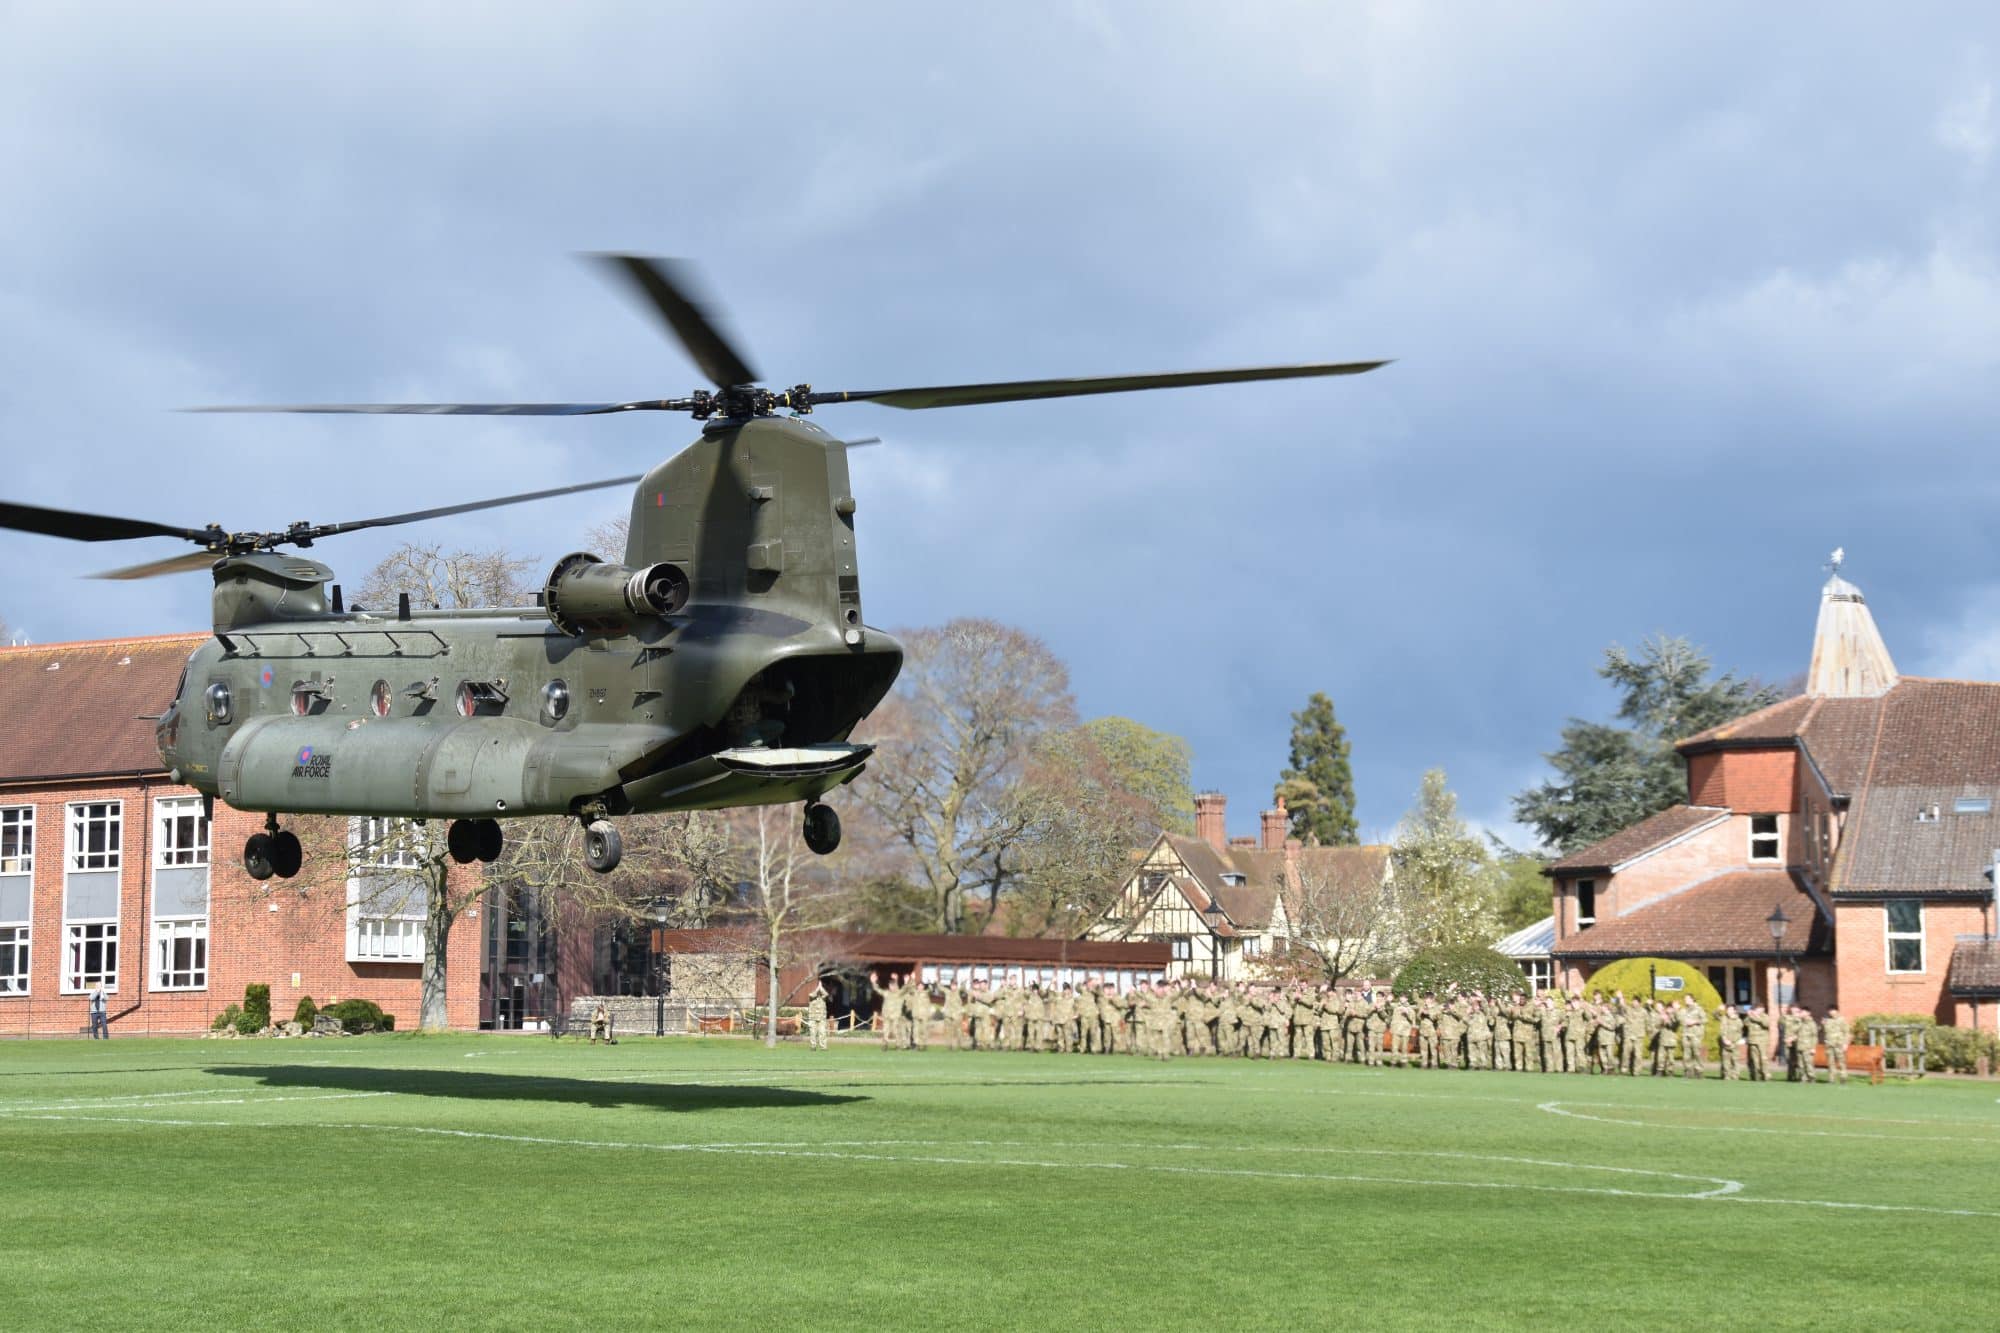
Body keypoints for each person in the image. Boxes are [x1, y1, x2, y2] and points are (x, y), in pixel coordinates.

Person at [1823, 1007, 1852, 1084]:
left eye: (1833, 1011)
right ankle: (1831, 1079)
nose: (1831, 1012)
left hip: (1839, 1045)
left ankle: (1843, 1078)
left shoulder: (1842, 1020)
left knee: (1841, 1062)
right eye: (1830, 1011)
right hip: (1829, 1045)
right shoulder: (1827, 1020)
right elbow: (1825, 1032)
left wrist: (1846, 1044)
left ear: (1837, 1011)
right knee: (1830, 1063)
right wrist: (1823, 1024)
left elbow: (1847, 1033)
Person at [1744, 1004, 1772, 1082]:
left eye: (1759, 1009)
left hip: (1762, 1041)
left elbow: (1767, 1024)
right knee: (1754, 1060)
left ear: (1763, 1009)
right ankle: (1757, 1075)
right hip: (1753, 1041)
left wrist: (1756, 1017)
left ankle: (1766, 1075)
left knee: (1763, 1059)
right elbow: (1745, 1023)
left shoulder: (1765, 1017)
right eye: (1756, 1009)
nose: (1758, 1011)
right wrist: (1749, 1015)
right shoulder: (1750, 1017)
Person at [1716, 1004, 1743, 1081]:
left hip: (1734, 1044)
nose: (1729, 1011)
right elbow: (1715, 1015)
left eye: (1731, 1010)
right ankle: (1726, 1075)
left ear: (1734, 1011)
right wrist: (1718, 1009)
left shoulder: (1738, 1021)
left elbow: (1739, 1033)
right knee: (1725, 1061)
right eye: (1728, 1010)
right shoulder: (1724, 1018)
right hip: (1725, 1043)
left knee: (1735, 1060)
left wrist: (1732, 1041)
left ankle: (1735, 1076)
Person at [804, 982, 829, 1052]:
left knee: (822, 1033)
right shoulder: (811, 997)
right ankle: (813, 1047)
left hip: (821, 1018)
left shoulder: (823, 998)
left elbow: (826, 994)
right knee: (813, 1033)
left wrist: (821, 988)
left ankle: (823, 1047)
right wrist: (818, 988)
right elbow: (812, 995)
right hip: (812, 1018)